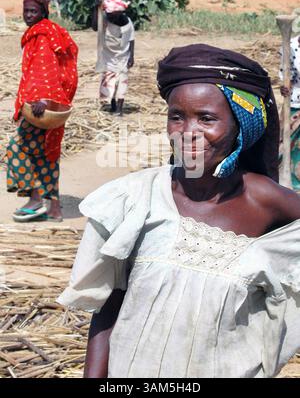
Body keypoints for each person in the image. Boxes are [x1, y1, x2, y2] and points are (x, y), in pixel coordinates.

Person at [58, 44, 300, 378]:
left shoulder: (268, 203)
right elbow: (108, 309)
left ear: (242, 125)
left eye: (207, 118)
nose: (187, 133)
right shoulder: (134, 199)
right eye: (176, 117)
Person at [6, 0, 78, 222]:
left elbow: (45, 70)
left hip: (40, 106)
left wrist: (43, 100)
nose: (28, 15)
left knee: (17, 148)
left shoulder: (42, 36)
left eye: (33, 11)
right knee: (46, 154)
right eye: (26, 11)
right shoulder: (47, 32)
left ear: (43, 13)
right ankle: (54, 208)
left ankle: (36, 199)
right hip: (49, 103)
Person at [92, 0, 135, 116]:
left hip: (123, 56)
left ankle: (119, 109)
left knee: (122, 82)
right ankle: (112, 104)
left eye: (113, 15)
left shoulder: (127, 22)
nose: (110, 17)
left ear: (120, 13)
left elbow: (131, 39)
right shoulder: (105, 19)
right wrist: (96, 8)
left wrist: (131, 56)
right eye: (109, 14)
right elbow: (95, 27)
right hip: (108, 56)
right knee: (110, 82)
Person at [279, 35, 300, 190]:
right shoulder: (290, 46)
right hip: (295, 102)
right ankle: (285, 182)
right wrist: (285, 86)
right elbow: (287, 75)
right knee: (285, 143)